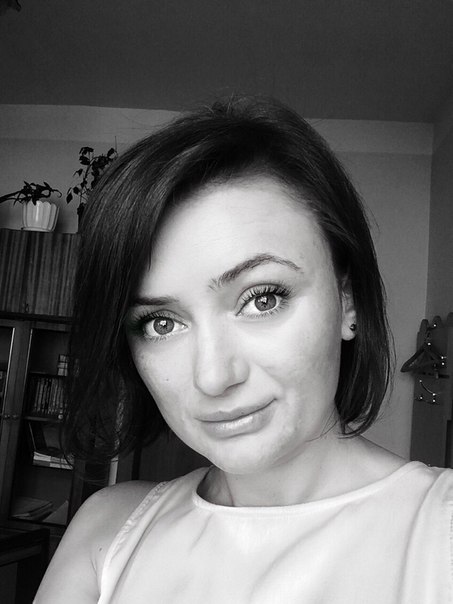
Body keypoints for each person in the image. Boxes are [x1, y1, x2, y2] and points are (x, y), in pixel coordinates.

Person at [35, 96, 452, 603]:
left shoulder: (439, 531)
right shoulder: (107, 532)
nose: (214, 377)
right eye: (161, 323)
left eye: (262, 299)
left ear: (348, 299)